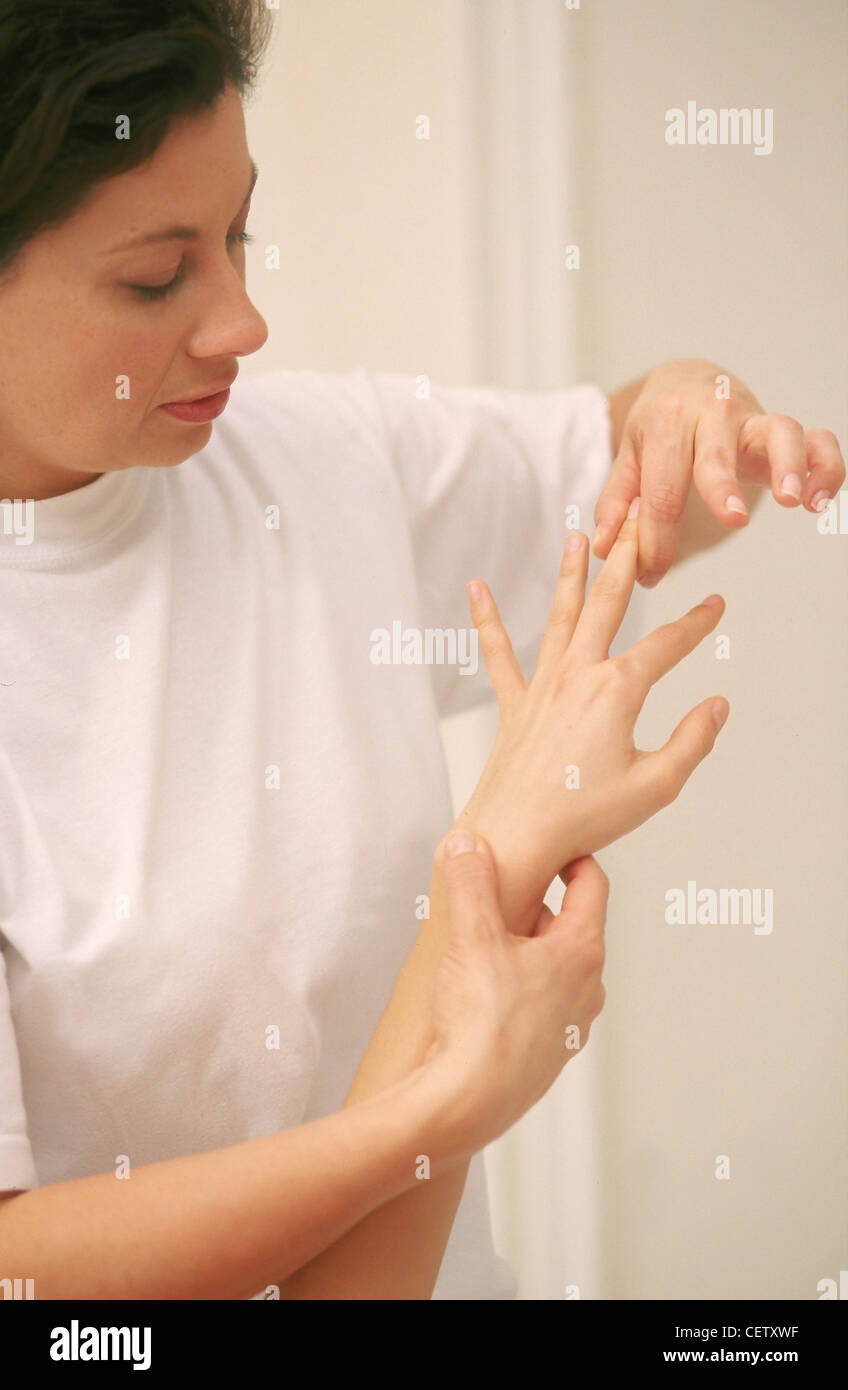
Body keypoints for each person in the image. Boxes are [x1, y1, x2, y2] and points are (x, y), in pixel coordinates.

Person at [0, 1, 843, 1301]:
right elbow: (25, 1263)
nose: (244, 321)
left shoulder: (326, 465)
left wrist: (687, 406)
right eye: (159, 277)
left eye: (241, 235)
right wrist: (446, 1100)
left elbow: (627, 476)